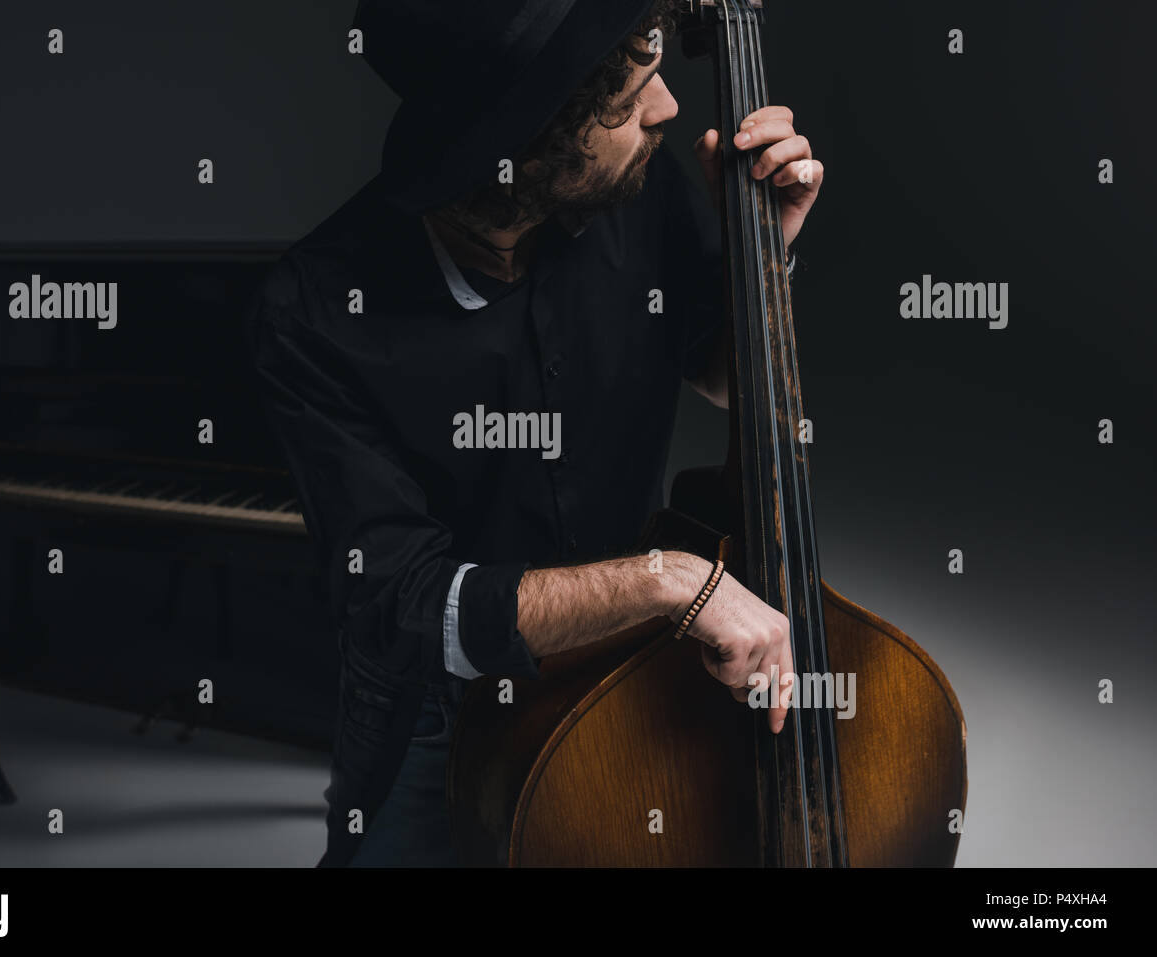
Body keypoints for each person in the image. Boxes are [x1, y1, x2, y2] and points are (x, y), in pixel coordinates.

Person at [244, 0, 824, 867]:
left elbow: (716, 372)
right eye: (624, 105)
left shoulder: (637, 184)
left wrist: (763, 251)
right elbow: (403, 607)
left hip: (628, 678)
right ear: (521, 155)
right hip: (435, 717)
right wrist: (669, 579)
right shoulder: (313, 312)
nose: (666, 109)